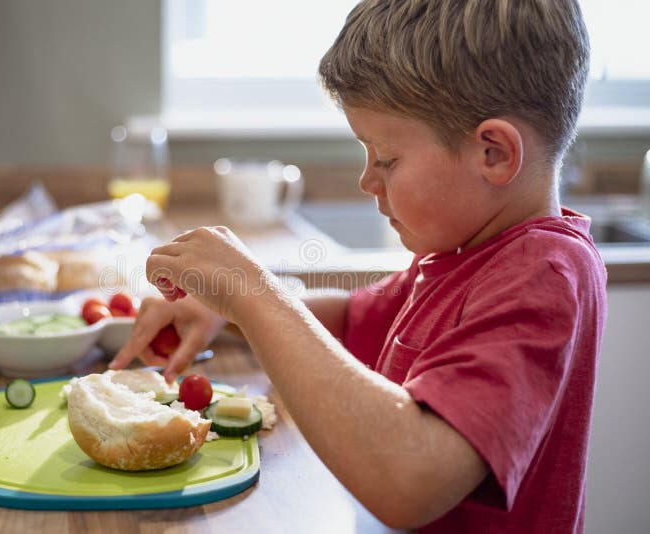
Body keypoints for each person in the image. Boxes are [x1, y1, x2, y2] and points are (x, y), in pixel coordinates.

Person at [109, 0, 605, 531]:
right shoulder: (459, 257)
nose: (368, 181)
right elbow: (349, 320)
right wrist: (224, 315)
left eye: (386, 159)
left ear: (495, 154)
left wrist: (254, 294)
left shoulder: (542, 273)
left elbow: (410, 479)